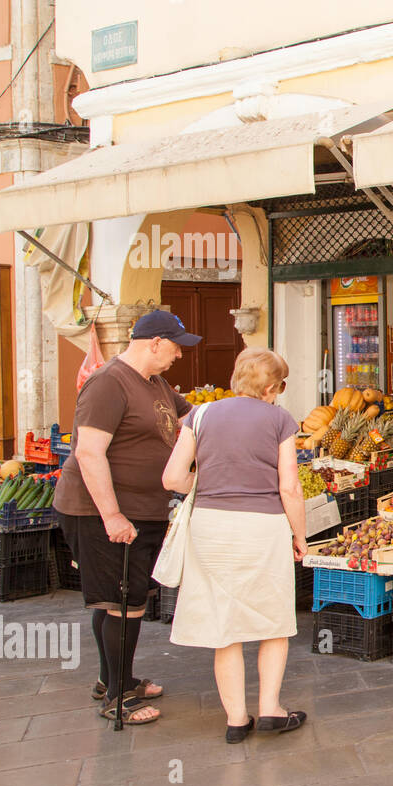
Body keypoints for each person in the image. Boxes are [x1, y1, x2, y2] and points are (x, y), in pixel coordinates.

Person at [53, 309, 202, 725]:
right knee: (124, 602)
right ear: (155, 343)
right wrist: (113, 515)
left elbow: (187, 417)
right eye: (175, 347)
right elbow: (88, 452)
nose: (178, 355)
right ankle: (119, 699)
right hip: (100, 511)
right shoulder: (108, 383)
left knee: (115, 597)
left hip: (144, 508)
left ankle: (112, 679)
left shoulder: (154, 381)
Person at [163, 347, 308, 744]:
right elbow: (289, 487)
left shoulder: (201, 414)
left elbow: (173, 478)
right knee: (273, 620)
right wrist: (300, 535)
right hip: (262, 528)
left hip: (210, 528)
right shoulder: (280, 419)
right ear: (271, 386)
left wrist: (208, 488)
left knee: (223, 625)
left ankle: (236, 719)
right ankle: (270, 710)